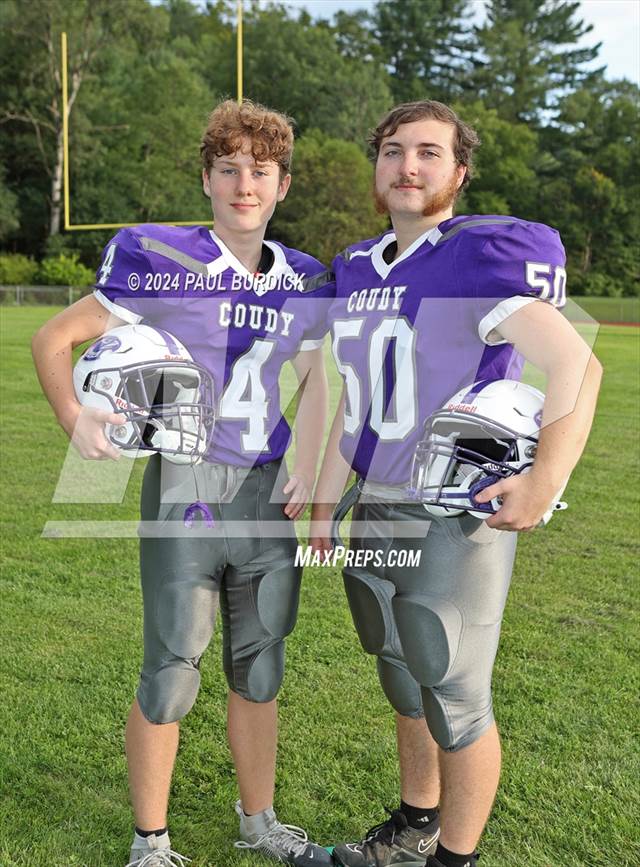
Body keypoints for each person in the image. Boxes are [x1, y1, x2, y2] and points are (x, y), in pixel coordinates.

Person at [32, 99, 334, 867]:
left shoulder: (302, 274)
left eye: (259, 172)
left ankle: (258, 822)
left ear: (282, 185)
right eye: (229, 169)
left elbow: (313, 374)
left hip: (266, 493)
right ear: (206, 177)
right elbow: (54, 336)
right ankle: (150, 841)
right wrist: (74, 416)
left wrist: (310, 455)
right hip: (185, 486)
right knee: (171, 668)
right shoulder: (158, 256)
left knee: (260, 668)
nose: (244, 184)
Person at [310, 100, 602, 867]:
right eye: (395, 150)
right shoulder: (356, 265)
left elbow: (578, 363)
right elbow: (355, 399)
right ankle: (415, 824)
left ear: (459, 172)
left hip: (449, 513)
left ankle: (454, 860)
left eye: (429, 152)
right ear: (376, 164)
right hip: (373, 502)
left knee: (454, 693)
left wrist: (546, 477)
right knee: (402, 674)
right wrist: (323, 500)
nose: (409, 165)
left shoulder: (479, 256)